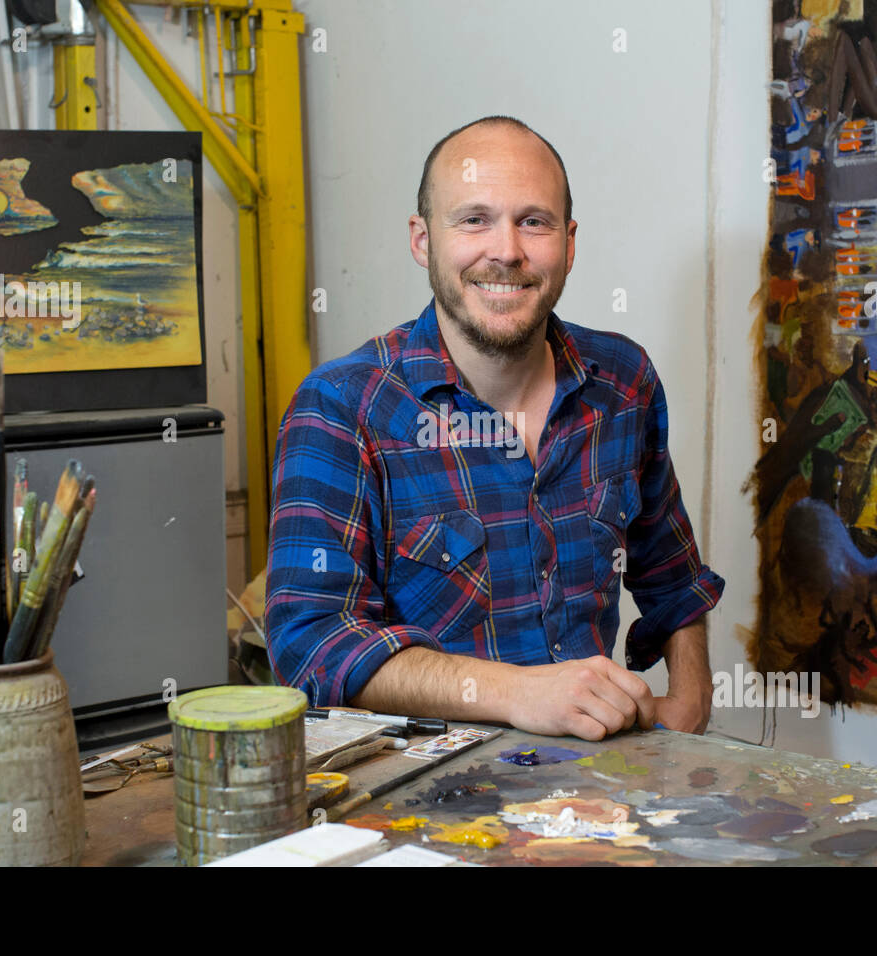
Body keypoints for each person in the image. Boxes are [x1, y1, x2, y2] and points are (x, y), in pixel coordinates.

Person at [265, 117, 725, 741]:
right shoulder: (342, 409)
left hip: (599, 799)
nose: (506, 251)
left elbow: (674, 577)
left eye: (533, 221)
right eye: (474, 219)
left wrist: (691, 698)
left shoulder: (623, 384)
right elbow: (312, 646)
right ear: (423, 240)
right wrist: (516, 692)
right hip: (432, 806)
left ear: (568, 240)